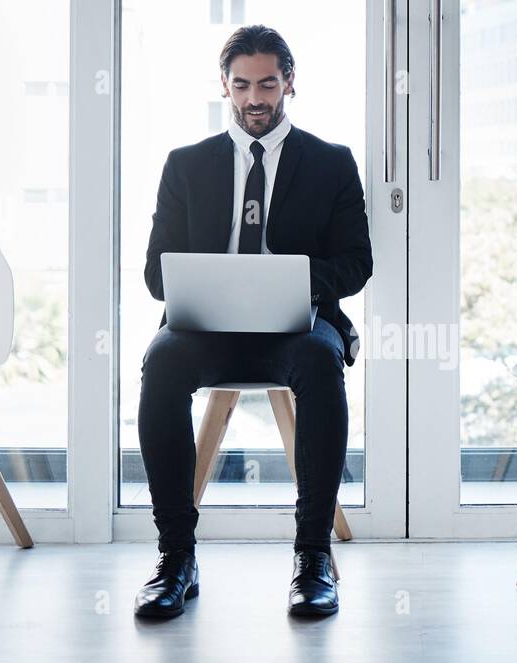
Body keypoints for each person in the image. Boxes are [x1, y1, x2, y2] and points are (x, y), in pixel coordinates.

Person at [133, 24, 372, 619]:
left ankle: (312, 557)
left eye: (268, 83)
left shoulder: (331, 163)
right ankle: (176, 558)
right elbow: (156, 274)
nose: (255, 98)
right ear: (224, 87)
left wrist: (295, 281)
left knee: (320, 360)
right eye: (242, 85)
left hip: (297, 327)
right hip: (207, 329)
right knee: (161, 361)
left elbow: (357, 263)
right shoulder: (185, 166)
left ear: (290, 83)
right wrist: (204, 282)